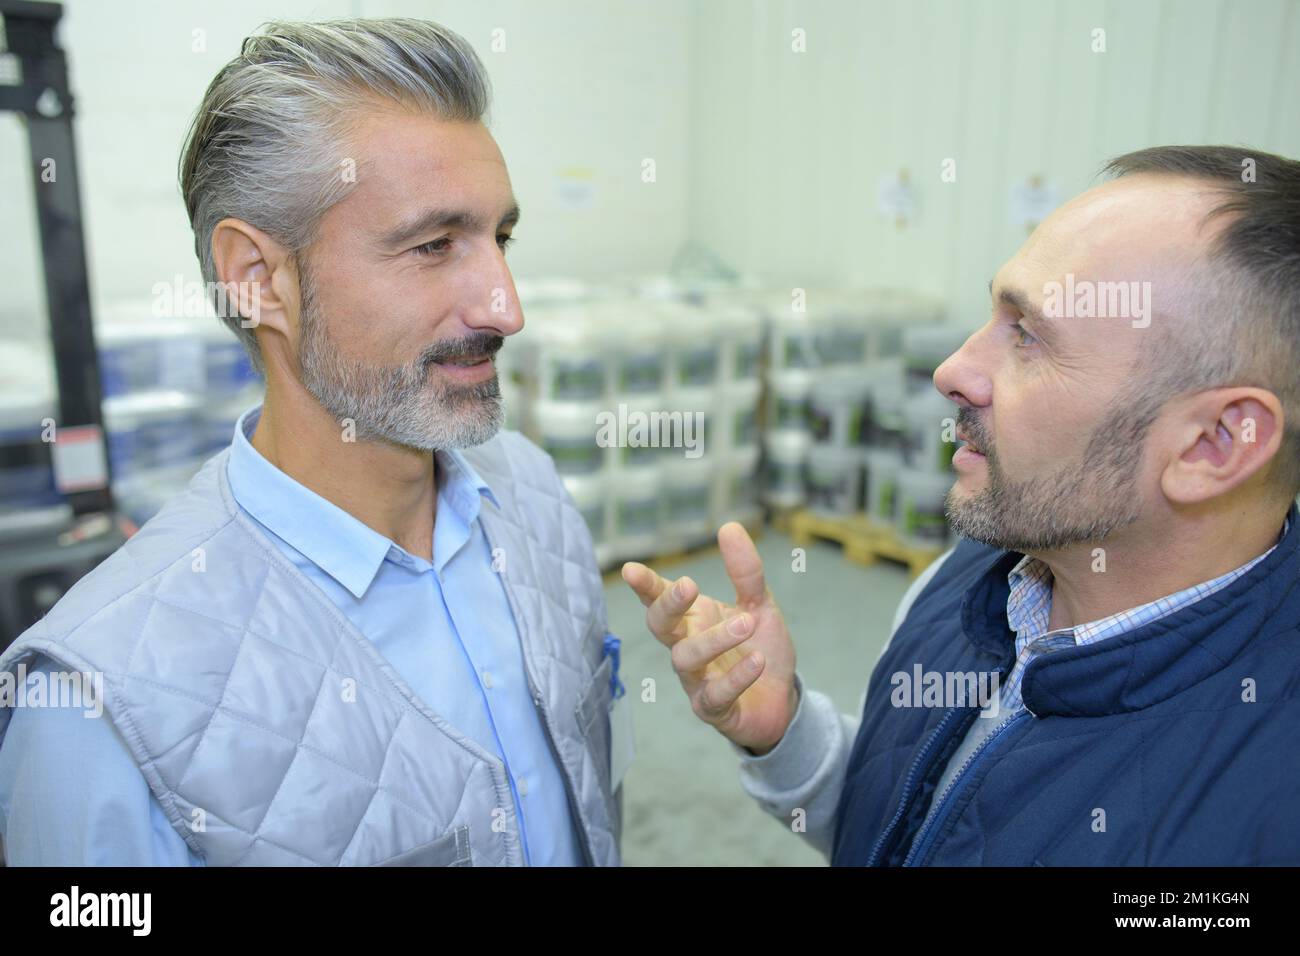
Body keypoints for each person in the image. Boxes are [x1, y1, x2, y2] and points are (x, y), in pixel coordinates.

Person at [0, 18, 621, 867]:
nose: (505, 307)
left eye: (500, 239)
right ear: (259, 282)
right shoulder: (98, 712)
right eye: (434, 246)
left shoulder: (535, 497)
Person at [623, 145, 1300, 866]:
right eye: (993, 314)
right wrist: (784, 730)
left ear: (1214, 445)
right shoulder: (969, 582)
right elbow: (919, 826)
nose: (953, 370)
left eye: (1029, 337)